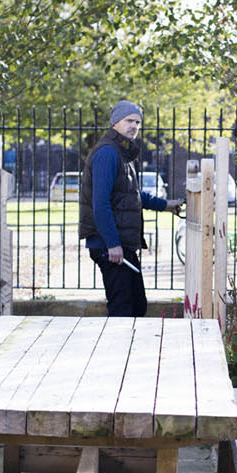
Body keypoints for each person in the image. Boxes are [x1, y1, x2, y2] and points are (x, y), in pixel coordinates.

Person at [76, 101, 178, 318]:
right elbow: (100, 204)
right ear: (115, 122)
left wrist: (166, 205)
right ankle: (119, 351)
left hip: (121, 243)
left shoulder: (123, 153)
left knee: (137, 305)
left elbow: (132, 196)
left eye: (138, 122)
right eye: (129, 121)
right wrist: (113, 244)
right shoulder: (108, 153)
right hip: (110, 245)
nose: (134, 126)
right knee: (123, 309)